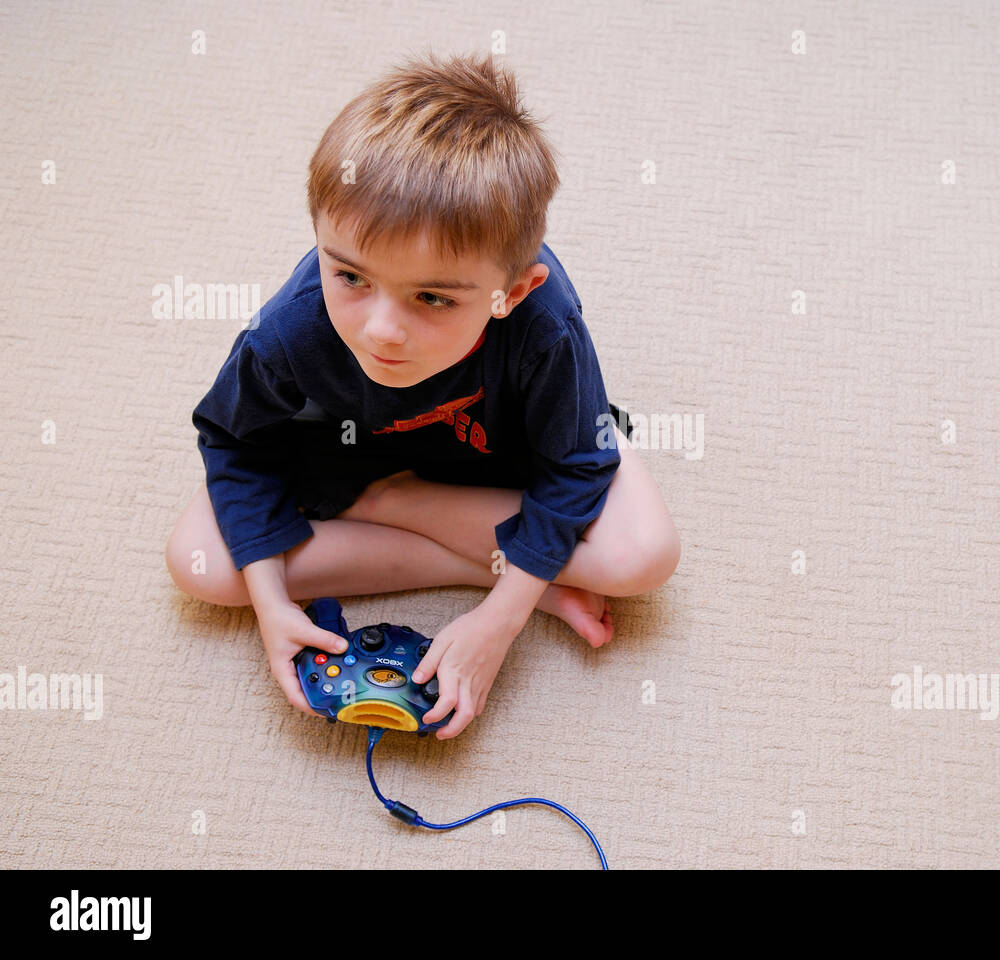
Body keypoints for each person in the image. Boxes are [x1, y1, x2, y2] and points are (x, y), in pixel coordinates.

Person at [165, 51, 680, 741]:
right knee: (199, 563)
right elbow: (234, 441)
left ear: (513, 291)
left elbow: (577, 466)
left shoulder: (545, 323)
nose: (381, 331)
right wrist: (268, 602)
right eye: (349, 275)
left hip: (498, 454)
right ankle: (528, 577)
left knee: (645, 557)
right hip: (340, 454)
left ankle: (398, 506)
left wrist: (499, 624)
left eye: (433, 297)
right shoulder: (288, 329)